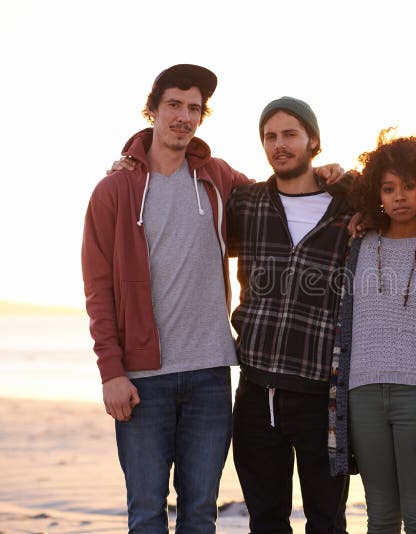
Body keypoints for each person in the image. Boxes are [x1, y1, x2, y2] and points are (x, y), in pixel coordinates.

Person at [81, 64, 250, 532]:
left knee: (199, 514)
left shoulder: (217, 177)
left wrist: (332, 177)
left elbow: (279, 201)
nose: (184, 116)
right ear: (152, 109)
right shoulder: (114, 190)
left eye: (194, 108)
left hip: (210, 375)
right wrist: (111, 372)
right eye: (174, 105)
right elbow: (98, 288)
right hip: (142, 380)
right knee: (146, 513)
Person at [227, 96, 352, 533]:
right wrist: (129, 161)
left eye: (290, 135)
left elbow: (400, 187)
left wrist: (349, 176)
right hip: (256, 391)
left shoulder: (349, 208)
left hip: (322, 393)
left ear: (313, 141)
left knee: (327, 521)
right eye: (270, 136)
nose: (279, 144)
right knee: (265, 520)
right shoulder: (246, 204)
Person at [328, 132, 416, 533]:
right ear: (375, 194)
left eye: (409, 186)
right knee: (380, 513)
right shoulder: (356, 243)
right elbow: (334, 179)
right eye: (388, 188)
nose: (399, 196)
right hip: (361, 391)